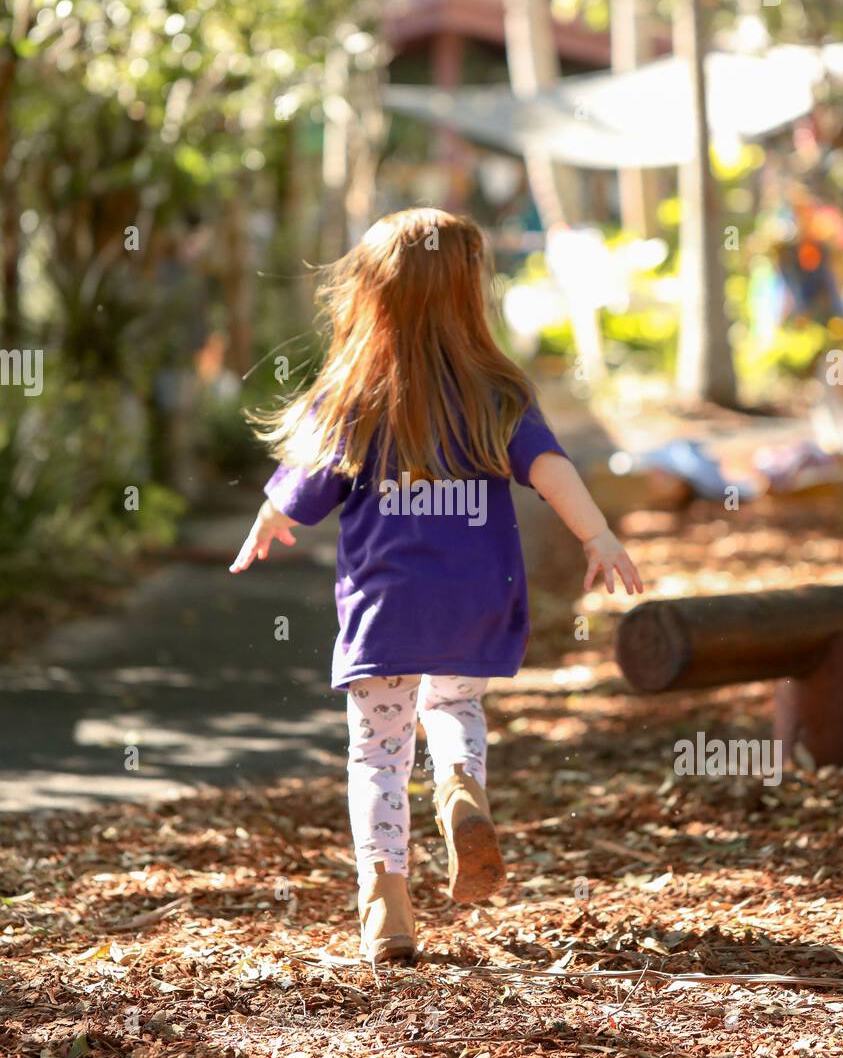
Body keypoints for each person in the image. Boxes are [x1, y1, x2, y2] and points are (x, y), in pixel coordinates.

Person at [230, 208, 642, 965]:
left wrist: (267, 517)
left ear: (371, 297)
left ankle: (386, 901)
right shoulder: (496, 391)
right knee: (453, 704)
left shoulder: (353, 397)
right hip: (472, 599)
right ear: (467, 297)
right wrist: (598, 536)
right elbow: (551, 470)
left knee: (378, 754)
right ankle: (458, 787)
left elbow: (302, 492)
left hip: (386, 608)